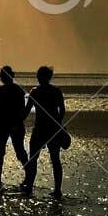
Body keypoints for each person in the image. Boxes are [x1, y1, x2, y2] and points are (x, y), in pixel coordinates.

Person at [19, 65, 68, 199]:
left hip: (41, 129)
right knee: (54, 159)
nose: (39, 78)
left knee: (35, 158)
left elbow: (26, 111)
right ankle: (56, 189)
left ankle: (30, 185)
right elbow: (62, 110)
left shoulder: (35, 92)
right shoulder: (55, 91)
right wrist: (58, 122)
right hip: (51, 129)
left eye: (40, 76)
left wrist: (17, 120)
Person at [0, 65, 27, 186]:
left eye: (2, 75)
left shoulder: (17, 90)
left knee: (18, 151)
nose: (1, 77)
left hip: (12, 124)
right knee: (1, 151)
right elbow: (0, 108)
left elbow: (20, 110)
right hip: (4, 124)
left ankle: (28, 175)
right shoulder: (3, 89)